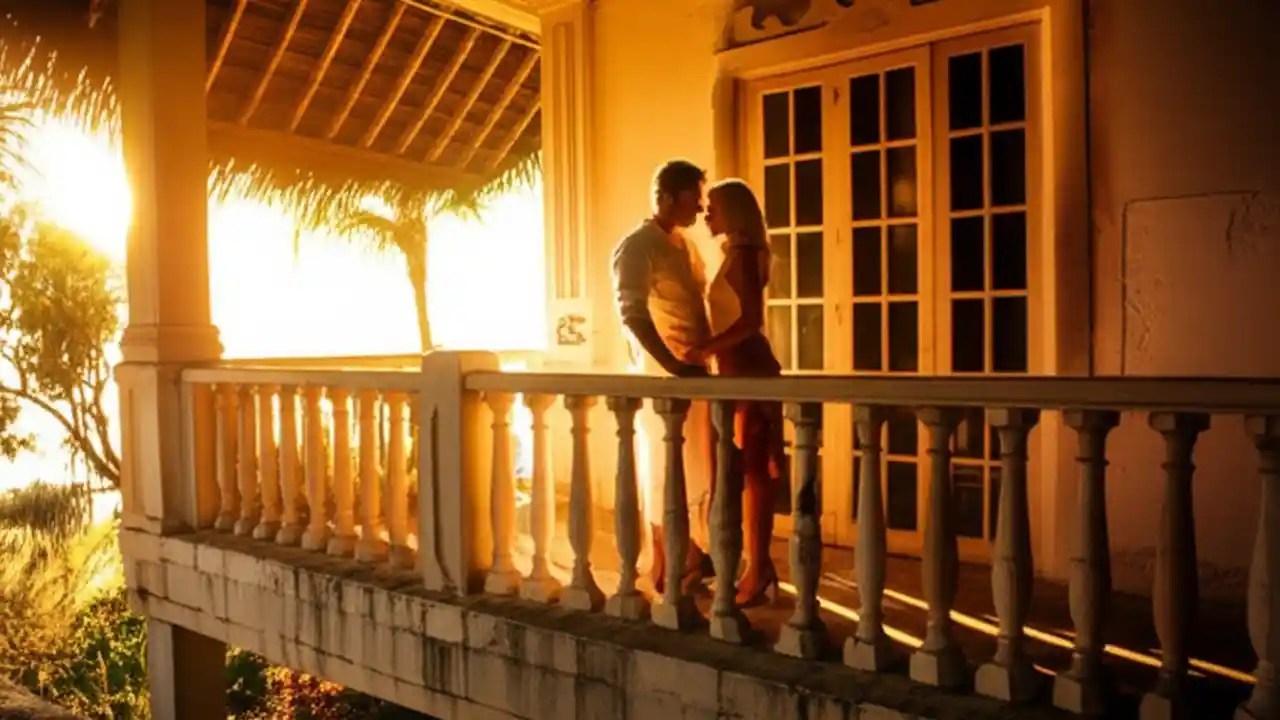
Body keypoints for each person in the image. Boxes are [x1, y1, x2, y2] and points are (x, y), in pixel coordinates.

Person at [611, 159, 715, 595]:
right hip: (663, 377)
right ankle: (665, 562)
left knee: (694, 470)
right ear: (667, 197)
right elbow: (632, 313)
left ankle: (688, 553)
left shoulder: (686, 247)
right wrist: (671, 365)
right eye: (694, 196)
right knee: (662, 470)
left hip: (696, 374)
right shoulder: (637, 246)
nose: (701, 206)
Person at [686, 178, 788, 607]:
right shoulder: (735, 252)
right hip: (734, 370)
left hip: (747, 367)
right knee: (746, 473)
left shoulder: (744, 255)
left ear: (734, 212)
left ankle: (759, 565)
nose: (707, 213)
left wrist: (705, 349)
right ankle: (756, 564)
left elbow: (749, 321)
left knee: (754, 474)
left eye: (714, 207)